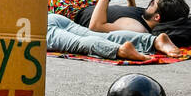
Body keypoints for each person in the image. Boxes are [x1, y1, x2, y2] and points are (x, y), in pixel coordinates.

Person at [47, 14, 182, 62]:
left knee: (78, 43)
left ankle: (119, 50)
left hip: (33, 25)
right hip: (52, 17)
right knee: (102, 35)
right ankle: (154, 40)